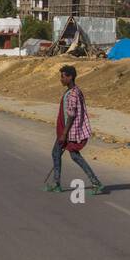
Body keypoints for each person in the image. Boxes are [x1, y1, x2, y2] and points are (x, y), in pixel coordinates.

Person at [46, 64, 105, 195]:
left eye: (63, 77)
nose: (61, 79)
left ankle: (94, 182)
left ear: (70, 77)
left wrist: (64, 134)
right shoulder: (72, 91)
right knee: (66, 155)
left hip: (70, 131)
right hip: (68, 131)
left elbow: (71, 115)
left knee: (65, 154)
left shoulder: (73, 93)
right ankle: (58, 183)